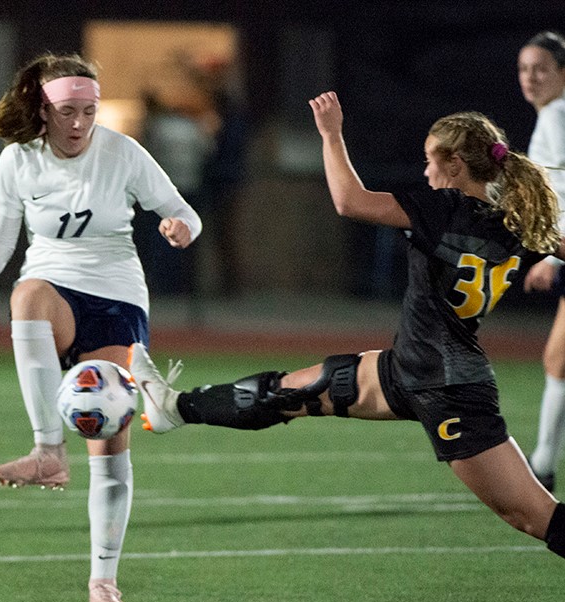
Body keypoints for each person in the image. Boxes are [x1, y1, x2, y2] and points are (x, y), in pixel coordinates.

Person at [128, 91, 565, 561]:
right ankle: (176, 406)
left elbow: (349, 201)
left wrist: (332, 134)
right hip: (410, 370)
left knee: (533, 516)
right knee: (290, 393)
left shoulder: (445, 210)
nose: (425, 172)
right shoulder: (516, 225)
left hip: (449, 387)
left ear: (455, 164)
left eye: (429, 161)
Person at [0, 53, 201, 602]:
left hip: (117, 303)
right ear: (44, 111)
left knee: (110, 443)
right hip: (55, 290)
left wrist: (179, 227)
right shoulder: (19, 160)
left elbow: (184, 211)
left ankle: (104, 582)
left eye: (90, 111)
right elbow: (1, 240)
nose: (79, 123)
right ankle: (48, 451)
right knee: (26, 295)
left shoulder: (123, 153)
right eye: (68, 111)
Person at [519, 31, 565, 493]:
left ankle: (541, 467)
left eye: (541, 69)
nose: (530, 78)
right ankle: (542, 464)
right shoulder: (553, 117)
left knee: (558, 359)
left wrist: (552, 256)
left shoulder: (556, 117)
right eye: (523, 69)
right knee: (559, 360)